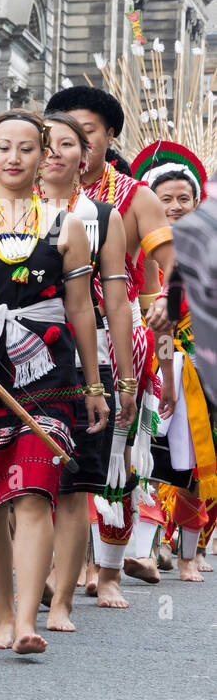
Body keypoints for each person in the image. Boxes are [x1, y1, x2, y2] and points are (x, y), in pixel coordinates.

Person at [0, 111, 108, 654]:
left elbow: (80, 310)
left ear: (43, 153)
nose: (14, 159)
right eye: (4, 148)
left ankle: (27, 620)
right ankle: (1, 615)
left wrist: (94, 386)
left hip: (48, 368)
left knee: (34, 487)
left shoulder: (66, 225)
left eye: (27, 148)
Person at [44, 86, 173, 601]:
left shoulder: (133, 199)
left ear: (108, 137)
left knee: (118, 455)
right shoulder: (27, 198)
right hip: (49, 338)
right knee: (57, 454)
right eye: (57, 134)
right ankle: (66, 563)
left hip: (121, 338)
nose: (68, 144)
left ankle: (113, 570)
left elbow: (160, 283)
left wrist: (159, 360)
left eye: (86, 132)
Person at [38, 112, 138, 625]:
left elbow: (116, 302)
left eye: (66, 143)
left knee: (76, 479)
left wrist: (124, 378)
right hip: (20, 355)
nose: (53, 151)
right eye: (45, 142)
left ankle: (62, 594)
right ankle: (33, 578)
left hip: (84, 356)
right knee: (33, 477)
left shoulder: (103, 216)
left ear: (86, 157)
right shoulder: (0, 211)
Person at [130, 144, 213, 583]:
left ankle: (186, 551)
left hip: (205, 374)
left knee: (197, 465)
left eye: (186, 199)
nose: (177, 207)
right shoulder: (142, 256)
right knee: (151, 457)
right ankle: (146, 546)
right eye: (167, 199)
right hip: (156, 367)